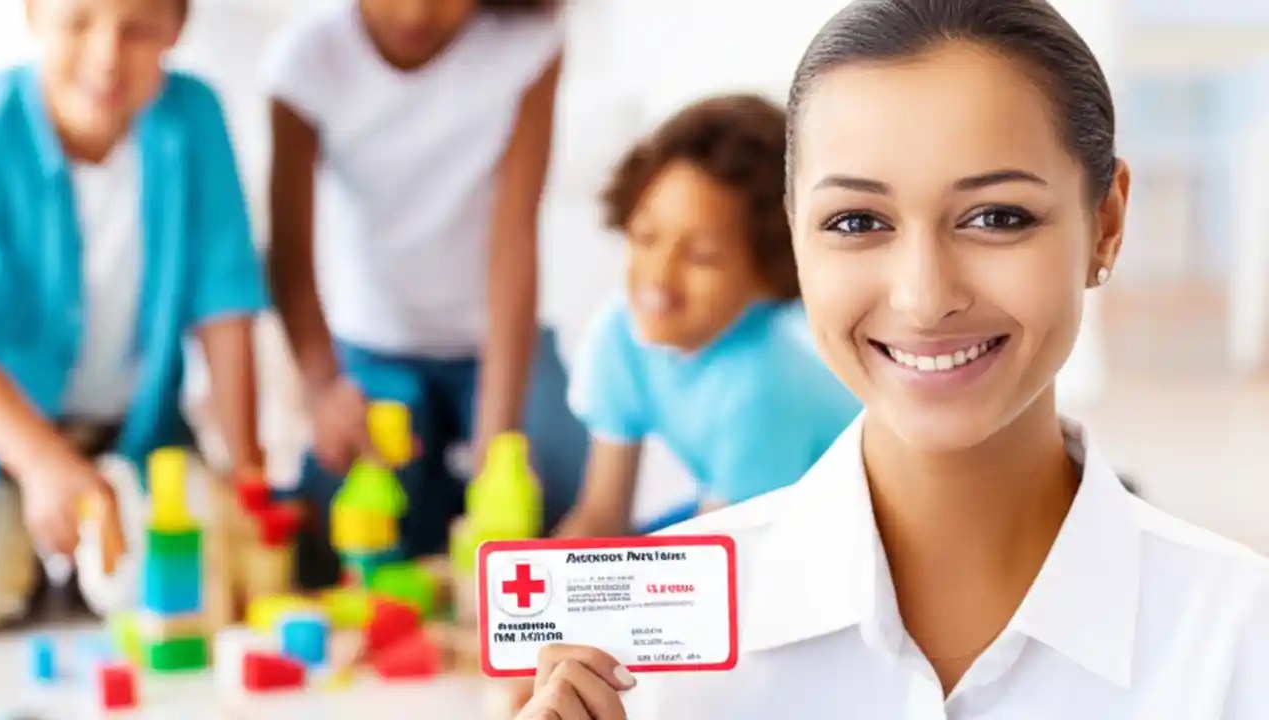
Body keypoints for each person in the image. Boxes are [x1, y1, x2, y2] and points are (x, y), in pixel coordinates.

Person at [516, 1, 1269, 718]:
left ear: (1105, 224)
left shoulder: (1240, 639)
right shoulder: (642, 661)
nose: (923, 298)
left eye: (996, 217)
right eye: (857, 222)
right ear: (796, 238)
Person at [263, 0, 588, 587]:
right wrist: (323, 389)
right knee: (352, 505)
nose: (415, 13)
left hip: (496, 344)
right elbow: (289, 253)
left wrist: (498, 434)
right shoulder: (306, 58)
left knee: (555, 489)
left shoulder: (528, 45)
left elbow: (514, 241)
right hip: (373, 345)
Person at [0, 0, 267, 627]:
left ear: (177, 27)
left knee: (203, 576)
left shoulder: (193, 116)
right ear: (32, 15)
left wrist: (247, 467)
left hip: (141, 435)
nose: (107, 57)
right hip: (6, 439)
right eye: (78, 23)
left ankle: (77, 556)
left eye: (137, 31)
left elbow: (225, 306)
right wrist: (40, 462)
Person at [556, 95, 862, 537]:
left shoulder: (761, 390)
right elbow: (601, 519)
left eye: (702, 256)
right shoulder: (621, 332)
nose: (659, 275)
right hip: (740, 522)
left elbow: (721, 562)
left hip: (837, 537)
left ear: (770, 269)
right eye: (646, 236)